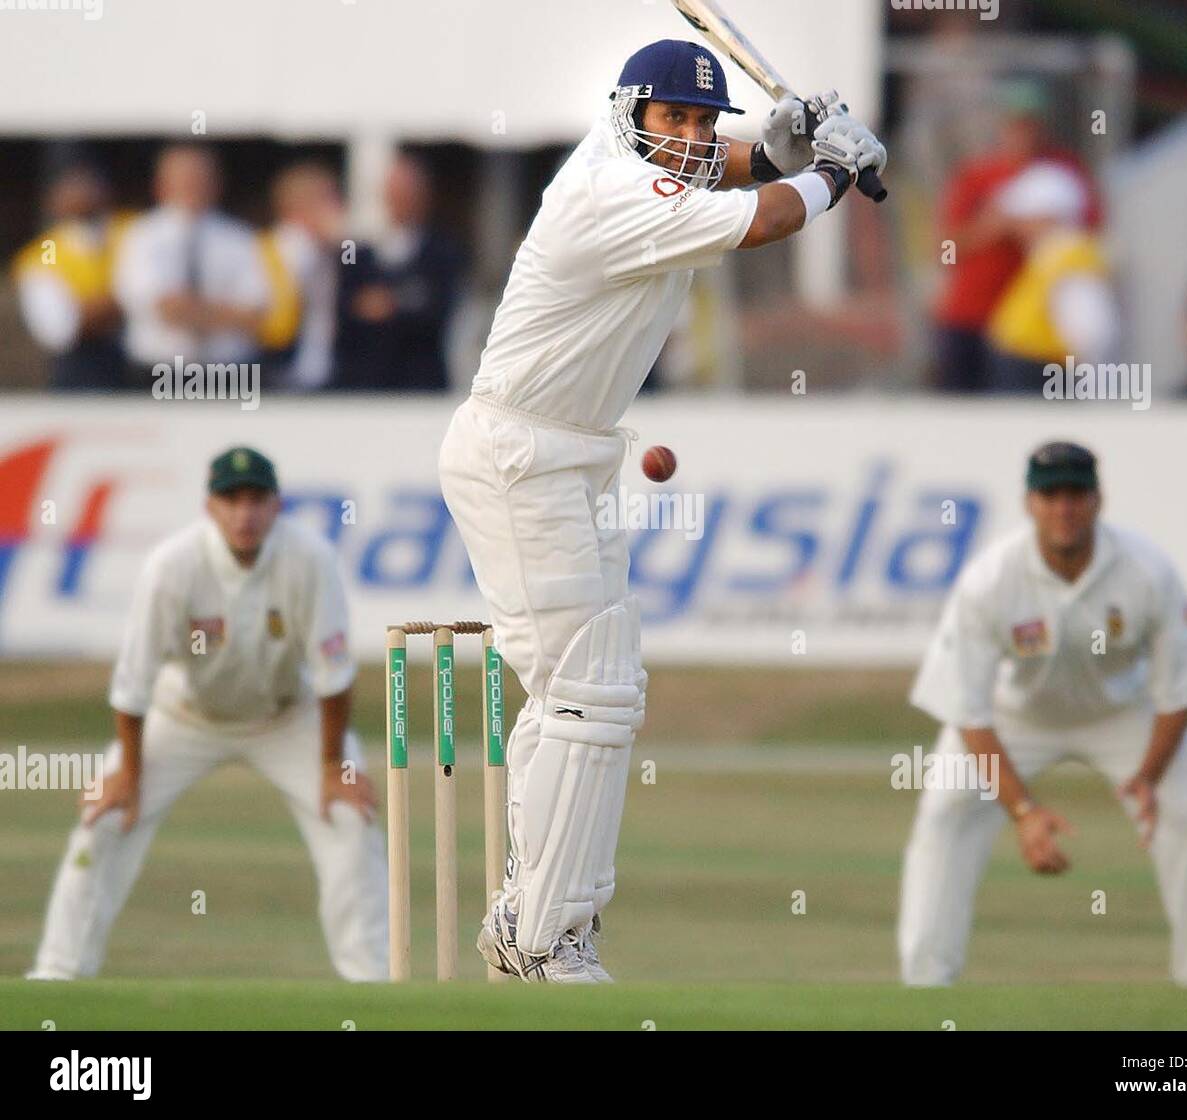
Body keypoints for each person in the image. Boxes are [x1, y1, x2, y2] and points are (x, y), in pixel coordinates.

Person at [438, 38, 886, 982]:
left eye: (698, 121)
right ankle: (542, 937)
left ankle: (540, 912)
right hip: (523, 451)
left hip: (577, 451)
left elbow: (731, 169)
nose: (685, 138)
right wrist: (835, 171)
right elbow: (759, 219)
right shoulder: (607, 193)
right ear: (626, 114)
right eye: (669, 118)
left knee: (590, 688)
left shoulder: (645, 167)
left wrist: (783, 138)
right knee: (584, 686)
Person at [29, 447, 387, 982]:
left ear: (275, 505)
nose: (244, 513)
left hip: (289, 717)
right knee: (101, 821)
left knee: (350, 820)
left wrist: (333, 765)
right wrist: (128, 773)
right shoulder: (172, 566)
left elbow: (334, 675)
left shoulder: (310, 558)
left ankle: (372, 984)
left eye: (256, 500)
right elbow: (132, 686)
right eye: (231, 500)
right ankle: (57, 977)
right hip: (185, 715)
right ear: (209, 507)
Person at [898, 442, 1187, 987]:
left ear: (1098, 501)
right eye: (1050, 495)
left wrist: (1148, 777)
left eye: (1076, 493)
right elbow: (967, 708)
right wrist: (1024, 811)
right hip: (1015, 714)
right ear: (1029, 503)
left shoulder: (1146, 571)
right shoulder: (990, 579)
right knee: (946, 814)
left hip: (1122, 712)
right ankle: (926, 988)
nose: (1064, 508)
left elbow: (1184, 686)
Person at [932, 82, 1101, 392]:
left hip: (1029, 331)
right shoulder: (976, 176)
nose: (1023, 133)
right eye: (1015, 124)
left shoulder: (1065, 171)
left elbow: (1086, 237)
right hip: (973, 317)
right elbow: (946, 249)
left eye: (1030, 124)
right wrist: (997, 225)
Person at [113, 146, 269, 382]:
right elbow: (163, 308)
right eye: (185, 178)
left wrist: (189, 309)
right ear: (161, 184)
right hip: (157, 374)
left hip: (228, 375)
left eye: (201, 177)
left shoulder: (241, 237)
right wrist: (225, 314)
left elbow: (255, 314)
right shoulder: (141, 236)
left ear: (217, 183)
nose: (194, 184)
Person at [332, 154, 465, 391]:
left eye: (407, 192)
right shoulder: (358, 252)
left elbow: (440, 308)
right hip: (365, 383)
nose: (401, 200)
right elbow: (344, 309)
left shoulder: (443, 251)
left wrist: (392, 304)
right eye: (395, 192)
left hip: (420, 382)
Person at [985, 162, 1117, 391]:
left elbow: (1091, 333)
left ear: (1046, 216)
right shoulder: (1050, 256)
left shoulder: (1070, 258)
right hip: (1028, 382)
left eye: (1025, 217)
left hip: (1041, 386)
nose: (1018, 227)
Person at [10, 165, 133, 390]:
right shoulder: (43, 252)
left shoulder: (133, 229)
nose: (81, 195)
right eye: (70, 188)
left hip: (139, 359)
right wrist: (117, 304)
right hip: (81, 366)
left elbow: (154, 291)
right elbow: (59, 328)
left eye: (88, 185)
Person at [260, 162, 346, 391]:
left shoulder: (329, 250)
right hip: (280, 371)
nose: (338, 208)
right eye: (328, 199)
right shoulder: (280, 248)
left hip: (324, 372)